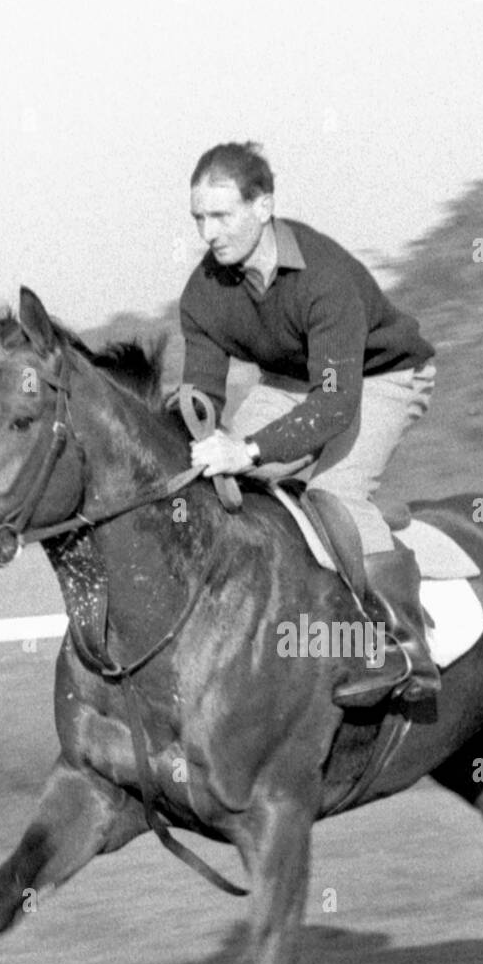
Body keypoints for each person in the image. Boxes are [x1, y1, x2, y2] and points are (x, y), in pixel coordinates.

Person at [178, 141, 440, 707]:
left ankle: (403, 651)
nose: (207, 234)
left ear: (264, 206)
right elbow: (201, 396)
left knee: (334, 493)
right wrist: (199, 443)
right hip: (292, 381)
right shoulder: (202, 294)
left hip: (380, 378)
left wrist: (245, 449)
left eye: (221, 216)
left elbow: (334, 406)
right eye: (199, 218)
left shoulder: (324, 277)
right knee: (229, 492)